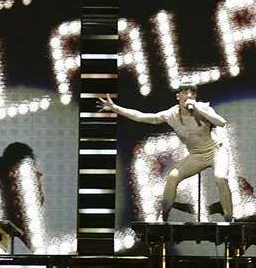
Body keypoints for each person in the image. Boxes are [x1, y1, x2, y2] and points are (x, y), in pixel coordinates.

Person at [99, 83, 233, 221]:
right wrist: (115, 108)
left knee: (220, 177)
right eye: (185, 92)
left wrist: (198, 108)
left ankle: (229, 218)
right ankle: (163, 217)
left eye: (192, 93)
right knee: (173, 177)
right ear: (178, 96)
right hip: (197, 156)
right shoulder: (171, 115)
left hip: (216, 151)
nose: (188, 95)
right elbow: (141, 117)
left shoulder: (204, 108)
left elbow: (221, 122)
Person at [0, 127, 42, 251]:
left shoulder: (6, 167)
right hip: (19, 216)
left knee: (1, 245)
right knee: (32, 246)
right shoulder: (27, 172)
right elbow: (39, 198)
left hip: (10, 215)